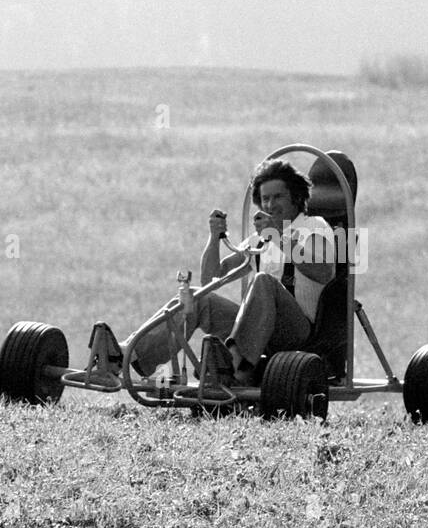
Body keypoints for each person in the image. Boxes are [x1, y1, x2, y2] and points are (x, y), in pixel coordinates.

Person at [117, 158, 335, 386]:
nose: (270, 205)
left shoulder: (314, 226)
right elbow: (211, 278)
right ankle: (127, 354)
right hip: (258, 330)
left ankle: (234, 364)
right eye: (265, 199)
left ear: (296, 197)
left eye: (277, 197)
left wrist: (279, 237)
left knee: (264, 281)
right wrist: (214, 238)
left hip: (297, 332)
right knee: (198, 297)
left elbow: (322, 272)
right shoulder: (262, 239)